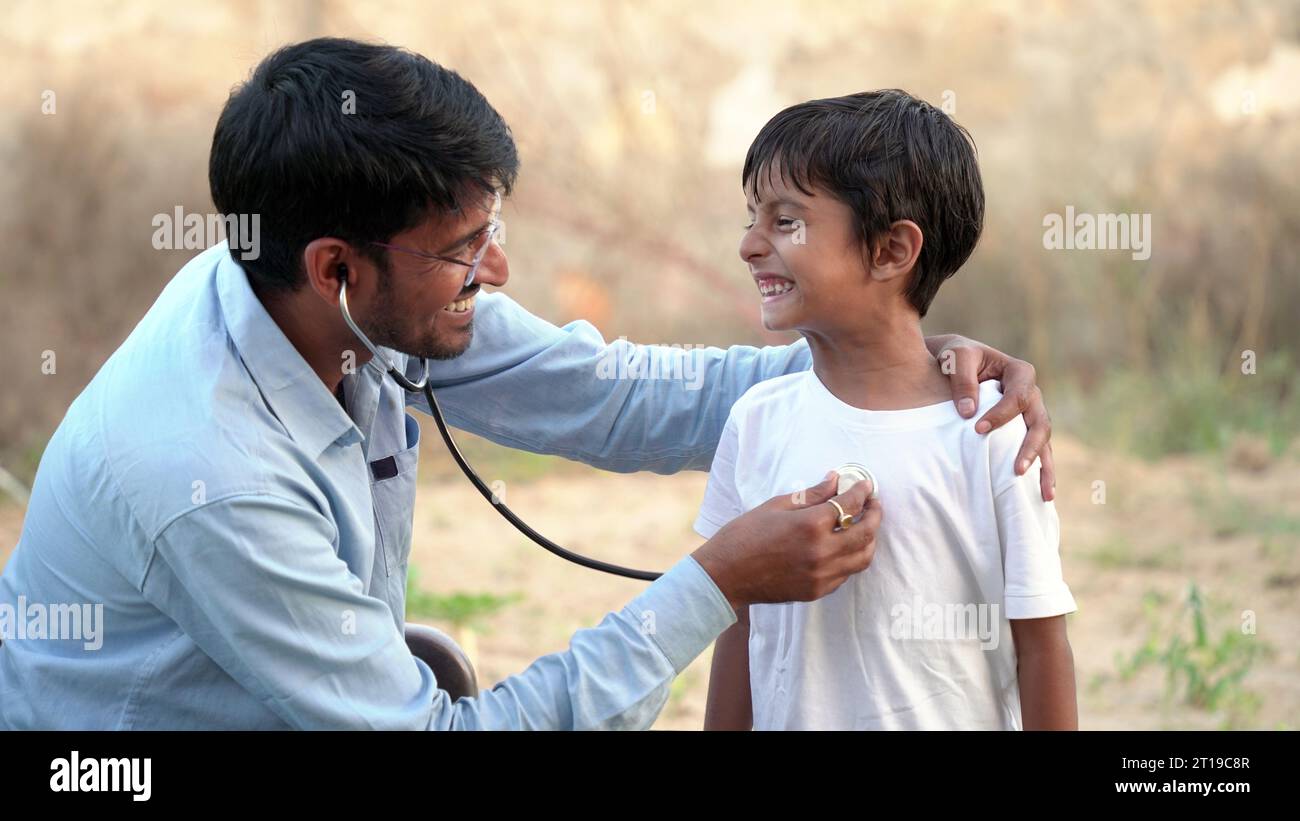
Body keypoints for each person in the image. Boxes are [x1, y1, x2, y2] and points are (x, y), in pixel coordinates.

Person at [0, 41, 1055, 730]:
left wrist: (900, 354)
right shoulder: (205, 470)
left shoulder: (308, 282)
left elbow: (610, 396)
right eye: (466, 246)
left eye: (491, 229)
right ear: (337, 266)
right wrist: (714, 582)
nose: (494, 272)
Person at [700, 90, 1077, 731]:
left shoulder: (989, 430)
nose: (750, 247)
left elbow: (1041, 644)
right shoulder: (756, 420)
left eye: (786, 221)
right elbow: (739, 627)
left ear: (891, 251)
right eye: (750, 221)